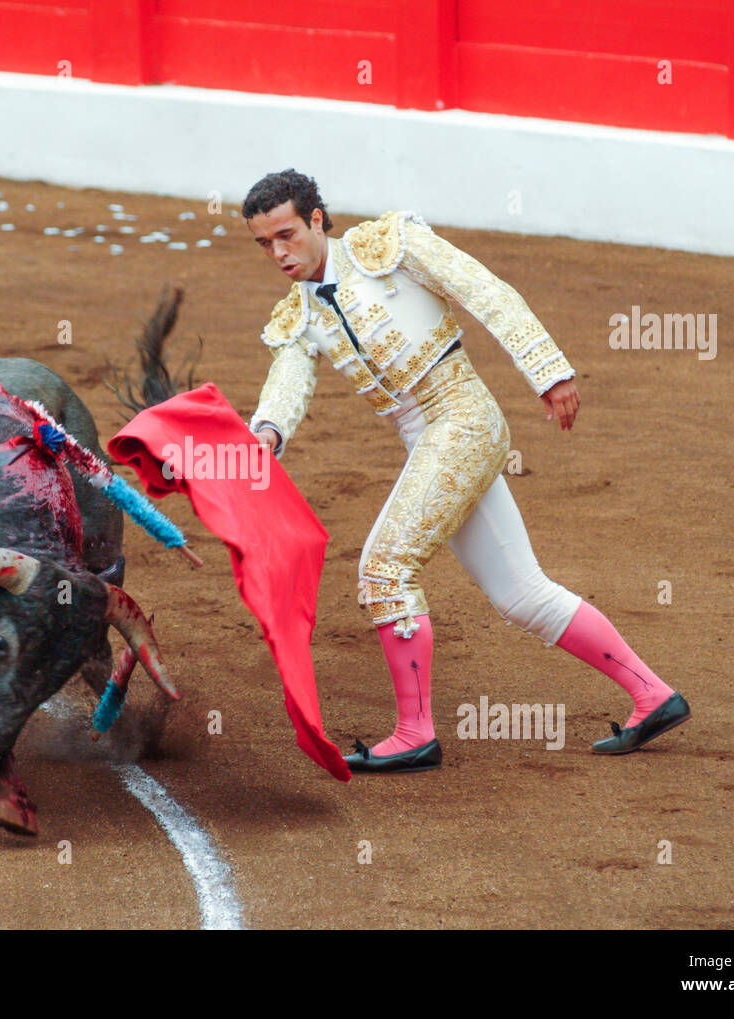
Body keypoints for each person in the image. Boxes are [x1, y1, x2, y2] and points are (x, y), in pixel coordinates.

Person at [241, 169, 689, 773]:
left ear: (317, 219)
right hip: (426, 437)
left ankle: (414, 735)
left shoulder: (388, 246)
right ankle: (652, 695)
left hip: (463, 419)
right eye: (265, 243)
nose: (278, 253)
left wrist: (547, 369)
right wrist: (268, 430)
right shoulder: (298, 316)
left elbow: (483, 289)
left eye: (286, 235)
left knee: (385, 569)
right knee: (522, 594)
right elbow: (287, 380)